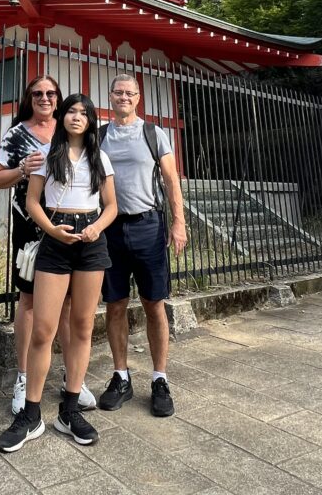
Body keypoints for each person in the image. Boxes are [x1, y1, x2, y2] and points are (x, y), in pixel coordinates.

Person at [0, 93, 117, 453]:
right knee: (44, 329)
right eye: (71, 112)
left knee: (81, 327)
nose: (77, 117)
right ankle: (31, 414)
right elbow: (32, 200)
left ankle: (69, 409)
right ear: (62, 117)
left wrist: (98, 227)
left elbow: (112, 205)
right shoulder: (49, 156)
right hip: (56, 238)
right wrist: (51, 230)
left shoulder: (100, 158)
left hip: (91, 241)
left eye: (84, 113)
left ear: (91, 120)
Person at [0, 75, 96, 414]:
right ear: (29, 98)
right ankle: (23, 376)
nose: (45, 98)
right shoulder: (16, 133)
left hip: (71, 224)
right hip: (30, 226)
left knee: (66, 304)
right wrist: (22, 168)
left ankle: (72, 377)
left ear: (60, 99)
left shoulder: (69, 130)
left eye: (51, 93)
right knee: (30, 301)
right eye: (38, 93)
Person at [98, 73, 188, 417]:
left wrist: (178, 221)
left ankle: (160, 378)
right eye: (118, 92)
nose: (124, 97)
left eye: (130, 93)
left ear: (138, 98)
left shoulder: (153, 133)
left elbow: (170, 178)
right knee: (116, 305)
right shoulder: (101, 136)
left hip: (148, 224)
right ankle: (121, 376)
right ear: (110, 96)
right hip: (111, 229)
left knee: (154, 303)